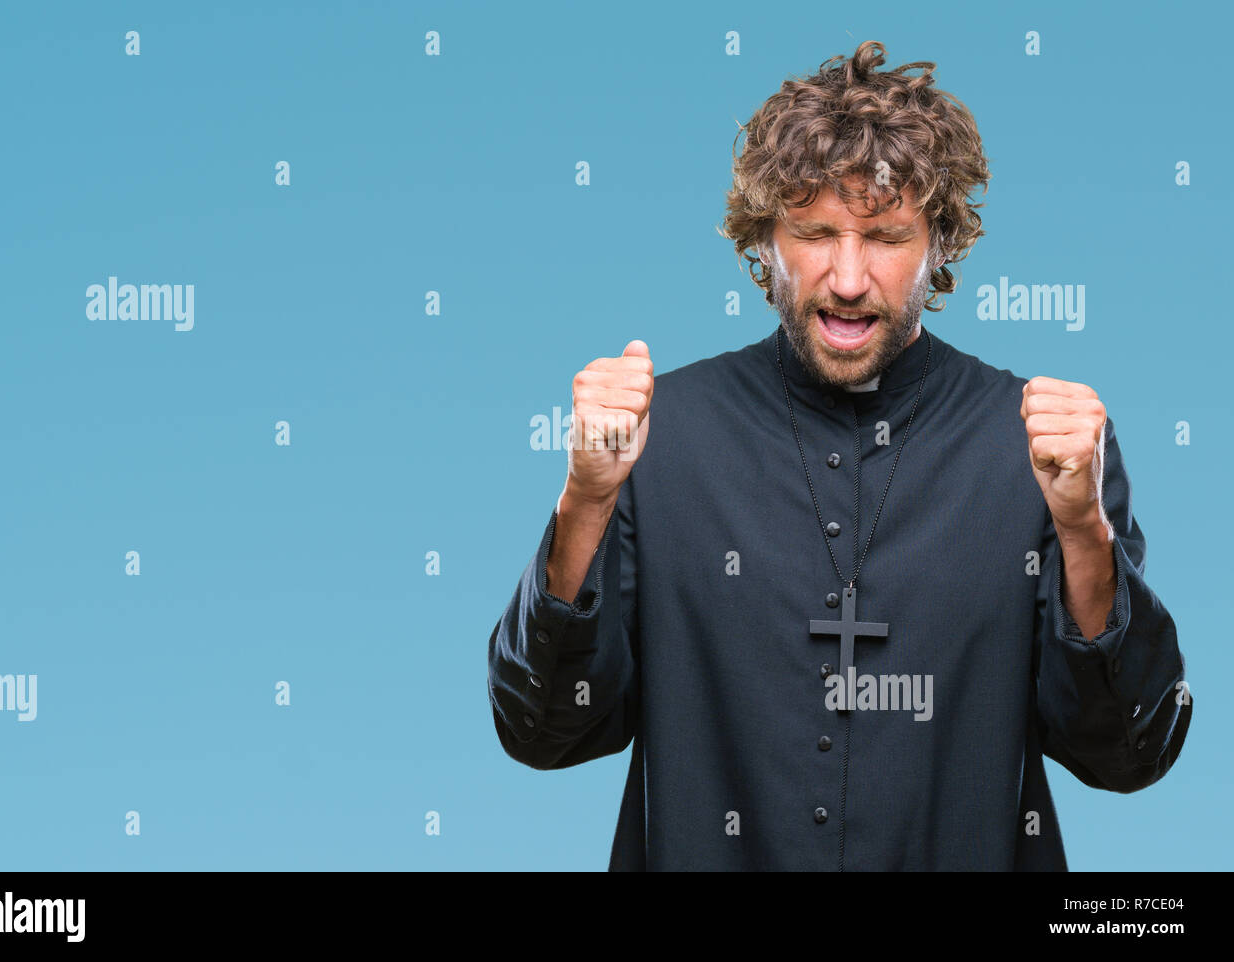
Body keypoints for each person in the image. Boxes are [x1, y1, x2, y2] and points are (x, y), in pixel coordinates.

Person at [486, 40, 1192, 870]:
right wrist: (584, 502)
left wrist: (1082, 534)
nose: (849, 278)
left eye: (886, 237)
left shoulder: (1043, 449)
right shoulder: (657, 436)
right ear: (765, 238)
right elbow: (543, 732)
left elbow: (1128, 754)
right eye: (815, 231)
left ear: (940, 243)